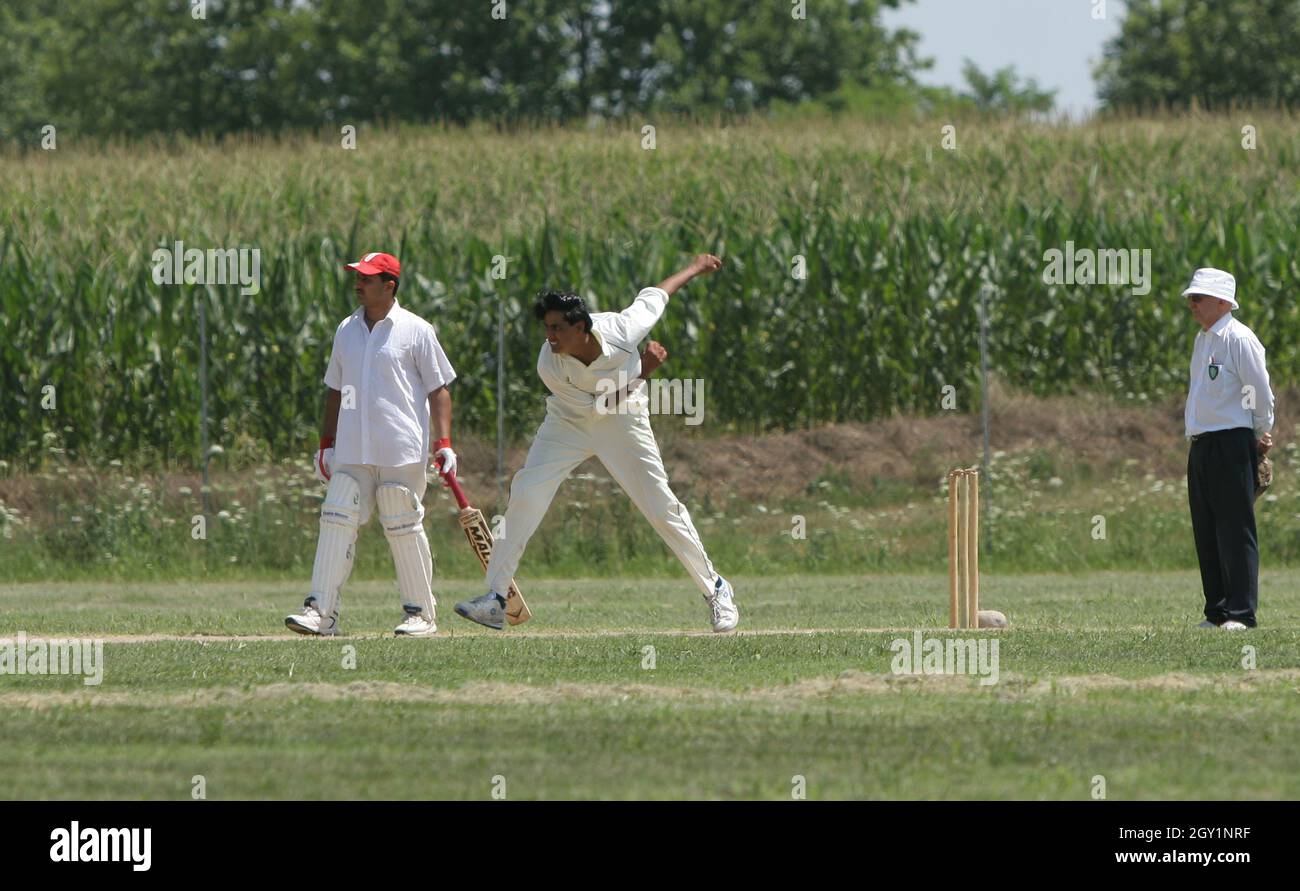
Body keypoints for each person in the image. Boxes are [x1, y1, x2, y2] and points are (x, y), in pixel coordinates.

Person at [453, 253, 738, 632]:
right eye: (546, 328)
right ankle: (495, 598)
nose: (550, 336)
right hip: (570, 421)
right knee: (526, 492)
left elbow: (656, 295)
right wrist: (645, 372)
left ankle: (716, 589)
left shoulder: (623, 330)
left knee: (660, 505)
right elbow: (595, 408)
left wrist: (695, 267)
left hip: (624, 421)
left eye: (557, 328)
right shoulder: (549, 363)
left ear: (582, 327)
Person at [284, 252, 457, 637]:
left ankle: (421, 615)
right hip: (351, 448)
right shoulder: (346, 329)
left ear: (389, 286)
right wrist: (326, 443)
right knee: (336, 515)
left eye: (367, 279)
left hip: (401, 448)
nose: (358, 284)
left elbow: (439, 389)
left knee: (402, 520)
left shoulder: (416, 330)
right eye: (357, 278)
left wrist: (443, 442)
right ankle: (321, 612)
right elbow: (334, 389)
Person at [1182, 267, 1274, 630]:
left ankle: (1241, 613)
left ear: (1222, 301)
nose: (1192, 304)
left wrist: (1260, 433)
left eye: (1198, 298)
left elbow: (1260, 391)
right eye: (1191, 297)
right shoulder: (1203, 340)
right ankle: (1217, 609)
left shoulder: (1239, 339)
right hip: (1202, 444)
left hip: (1232, 441)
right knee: (1206, 528)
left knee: (1235, 529)